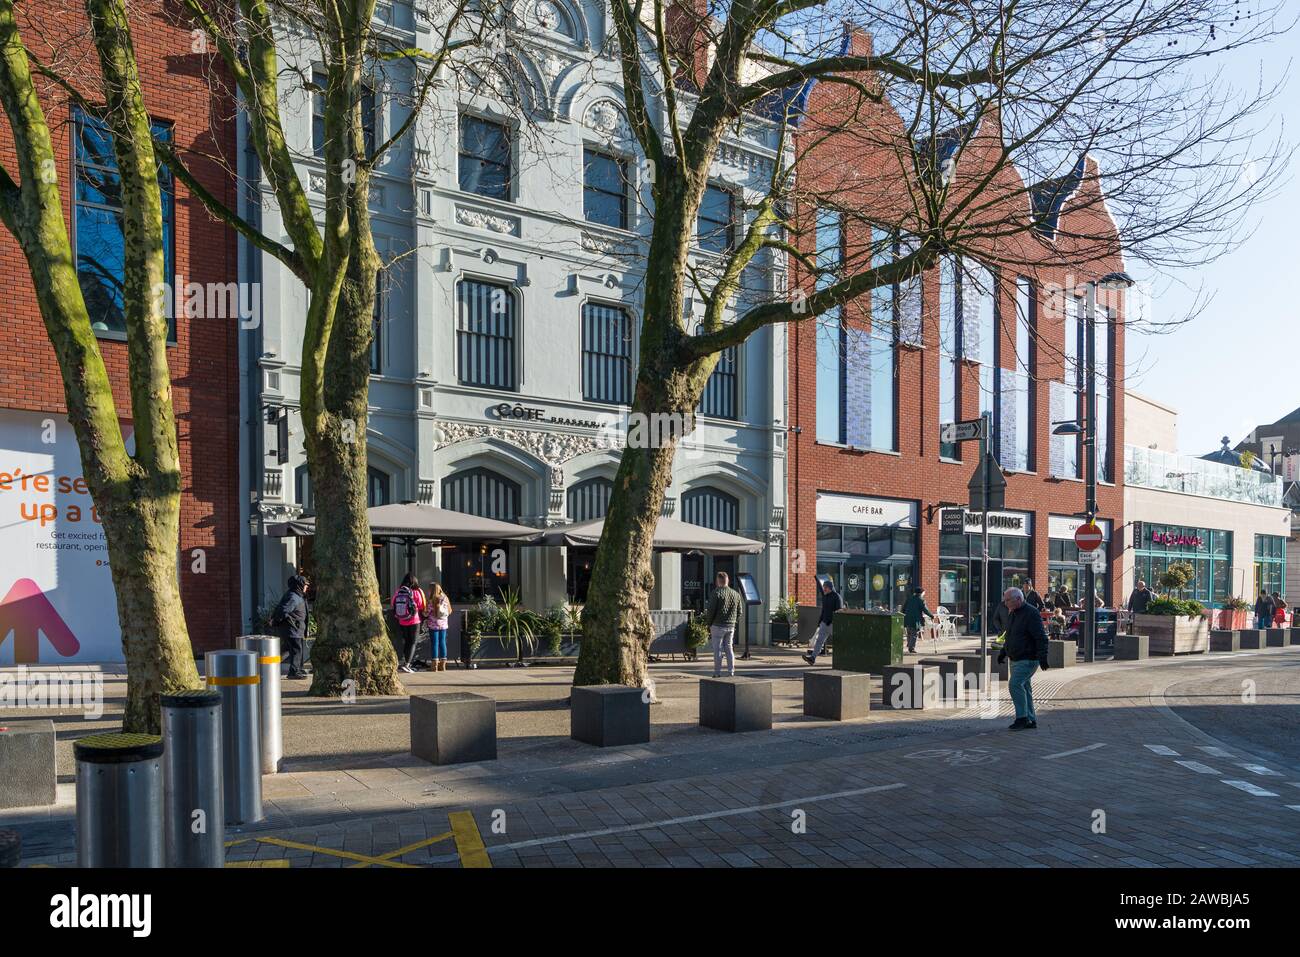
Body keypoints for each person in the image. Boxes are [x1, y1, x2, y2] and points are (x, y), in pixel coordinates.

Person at [997, 587, 1050, 730]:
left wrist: (1043, 656)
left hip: (1028, 658)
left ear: (1018, 599)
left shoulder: (1031, 613)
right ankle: (1031, 719)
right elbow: (1011, 635)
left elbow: (1041, 637)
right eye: (1005, 599)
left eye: (1008, 600)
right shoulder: (1013, 613)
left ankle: (1022, 718)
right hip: (1016, 658)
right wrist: (1003, 651)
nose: (1005, 603)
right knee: (1024, 687)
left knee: (1014, 685)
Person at [702, 571, 742, 678]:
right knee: (729, 648)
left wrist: (708, 624)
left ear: (718, 581)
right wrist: (734, 621)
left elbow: (711, 611)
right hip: (731, 626)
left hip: (717, 625)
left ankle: (717, 672)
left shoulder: (716, 593)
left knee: (718, 649)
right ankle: (731, 671)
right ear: (727, 580)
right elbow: (740, 612)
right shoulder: (736, 594)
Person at [273, 574, 309, 680]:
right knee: (296, 650)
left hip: (294, 629)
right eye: (305, 584)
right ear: (299, 585)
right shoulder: (294, 597)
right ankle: (294, 672)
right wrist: (276, 620)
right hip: (293, 629)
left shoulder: (297, 595)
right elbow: (283, 610)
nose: (307, 587)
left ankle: (268, 665)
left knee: (288, 650)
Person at [392, 573, 427, 674]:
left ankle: (405, 663)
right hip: (414, 620)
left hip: (401, 620)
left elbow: (393, 603)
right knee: (413, 642)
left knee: (407, 641)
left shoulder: (399, 591)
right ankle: (407, 664)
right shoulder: (416, 592)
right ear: (414, 581)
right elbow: (421, 605)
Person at [803, 578, 842, 665]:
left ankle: (842, 660)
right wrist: (819, 622)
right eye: (824, 587)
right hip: (824, 623)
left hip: (833, 624)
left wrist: (833, 621)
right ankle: (812, 658)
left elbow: (839, 611)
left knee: (839, 641)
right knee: (819, 641)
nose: (824, 589)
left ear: (830, 588)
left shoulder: (837, 597)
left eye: (826, 587)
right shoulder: (825, 597)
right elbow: (823, 610)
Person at [426, 583, 451, 672]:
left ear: (432, 590)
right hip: (444, 624)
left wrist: (422, 612)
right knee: (442, 642)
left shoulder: (432, 600)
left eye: (429, 590)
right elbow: (449, 611)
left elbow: (426, 613)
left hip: (433, 625)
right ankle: (443, 665)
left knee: (435, 644)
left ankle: (434, 666)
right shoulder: (445, 598)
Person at [902, 586, 935, 653]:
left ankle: (909, 645)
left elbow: (903, 608)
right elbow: (925, 610)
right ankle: (911, 648)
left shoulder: (909, 599)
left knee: (909, 633)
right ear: (921, 593)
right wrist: (931, 615)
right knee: (914, 633)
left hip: (907, 619)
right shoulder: (921, 600)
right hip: (916, 620)